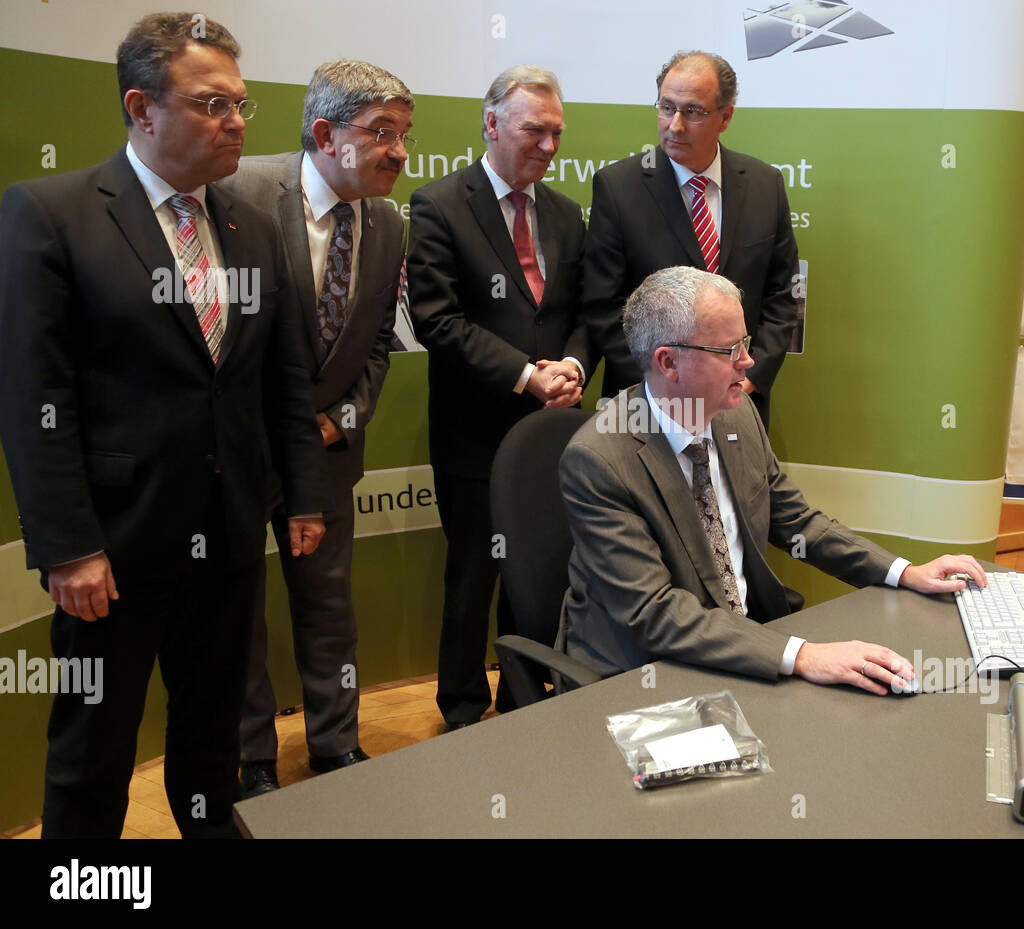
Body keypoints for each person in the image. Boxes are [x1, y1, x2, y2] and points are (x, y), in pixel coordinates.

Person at [0, 13, 327, 837]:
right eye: (213, 105)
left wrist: (301, 499)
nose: (236, 124)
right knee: (94, 747)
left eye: (243, 106)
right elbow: (35, 399)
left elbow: (280, 381)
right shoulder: (52, 213)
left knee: (211, 734)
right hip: (112, 545)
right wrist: (69, 545)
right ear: (141, 108)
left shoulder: (250, 224)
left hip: (226, 535)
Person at [558, 267, 987, 691]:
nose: (749, 361)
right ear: (669, 362)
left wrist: (903, 571)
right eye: (729, 350)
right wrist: (803, 655)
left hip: (746, 642)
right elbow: (654, 613)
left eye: (744, 342)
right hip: (645, 671)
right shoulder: (599, 461)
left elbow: (797, 521)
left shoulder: (736, 413)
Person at [218, 60, 411, 797]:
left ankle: (336, 746)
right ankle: (252, 760)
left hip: (330, 457)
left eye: (405, 134)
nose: (400, 151)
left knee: (330, 612)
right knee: (240, 619)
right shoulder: (237, 192)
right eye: (382, 133)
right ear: (326, 134)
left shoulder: (391, 221)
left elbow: (378, 346)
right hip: (243, 455)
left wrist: (340, 422)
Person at [406, 66, 589, 728]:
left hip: (552, 434)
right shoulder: (438, 205)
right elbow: (437, 319)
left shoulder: (567, 214)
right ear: (490, 124)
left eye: (557, 133)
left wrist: (570, 364)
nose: (547, 146)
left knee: (539, 572)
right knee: (472, 582)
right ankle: (460, 710)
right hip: (475, 435)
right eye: (532, 130)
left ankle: (525, 700)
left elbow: (584, 312)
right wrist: (524, 374)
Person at [584, 50, 799, 425]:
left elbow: (783, 297)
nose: (675, 125)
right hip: (648, 407)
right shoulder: (618, 188)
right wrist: (668, 387)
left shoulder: (765, 185)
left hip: (738, 404)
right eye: (667, 108)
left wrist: (747, 378)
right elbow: (603, 308)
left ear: (726, 116)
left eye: (693, 112)